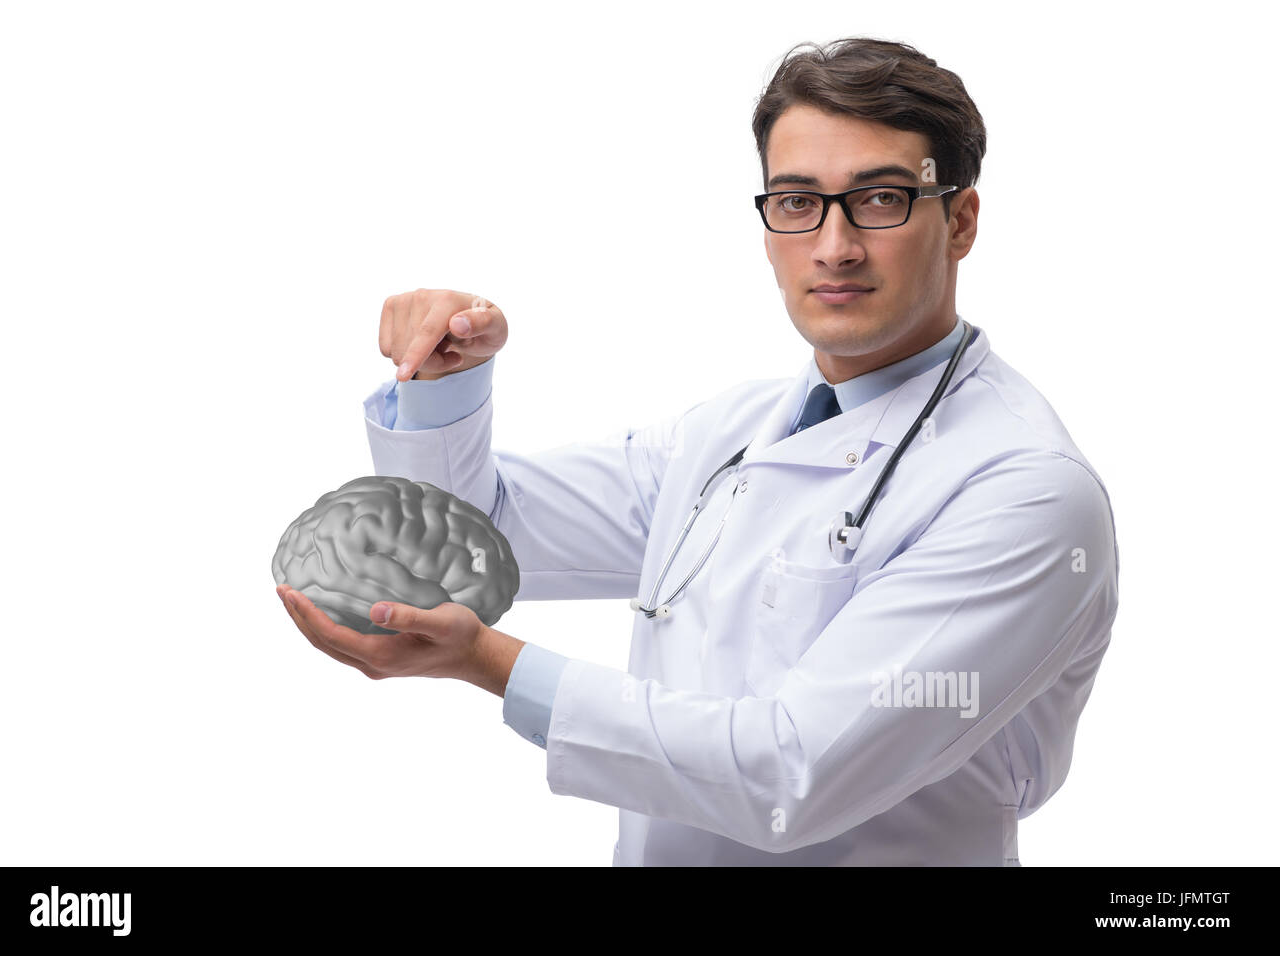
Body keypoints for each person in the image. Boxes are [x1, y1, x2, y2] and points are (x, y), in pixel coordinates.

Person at [277, 36, 1119, 866]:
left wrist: (491, 663)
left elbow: (794, 774)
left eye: (881, 198)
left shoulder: (1025, 491)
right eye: (797, 201)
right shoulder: (726, 437)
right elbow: (472, 540)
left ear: (960, 219)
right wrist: (441, 380)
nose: (834, 246)